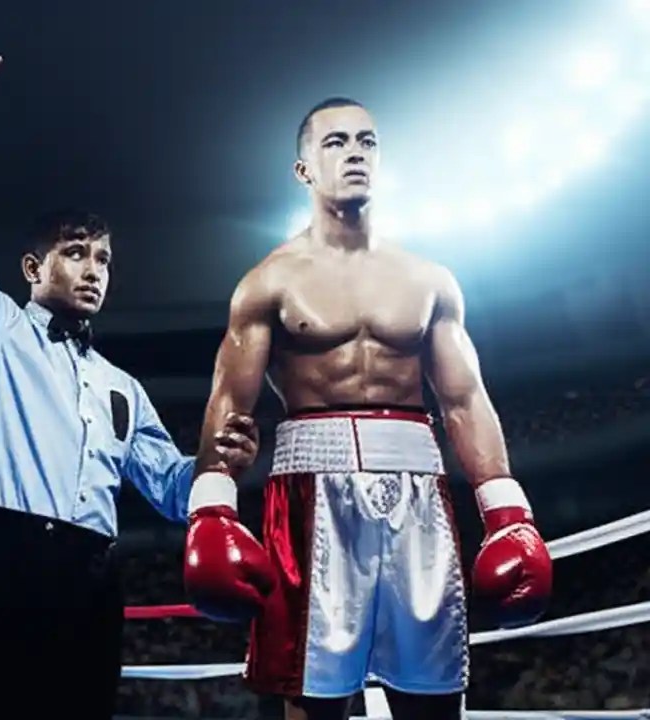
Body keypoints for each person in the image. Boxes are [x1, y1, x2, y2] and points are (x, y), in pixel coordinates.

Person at [0, 3, 261, 718]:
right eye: (75, 251)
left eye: (103, 256)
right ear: (33, 267)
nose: (93, 268)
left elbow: (170, 489)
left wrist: (219, 463)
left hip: (92, 577)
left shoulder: (122, 389)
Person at [190, 96, 555, 720]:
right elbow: (230, 404)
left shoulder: (430, 280)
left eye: (366, 141)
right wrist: (213, 513)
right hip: (311, 488)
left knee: (435, 691)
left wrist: (508, 516)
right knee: (312, 696)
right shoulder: (269, 282)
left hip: (419, 488)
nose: (354, 151)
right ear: (303, 169)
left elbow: (465, 401)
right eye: (335, 142)